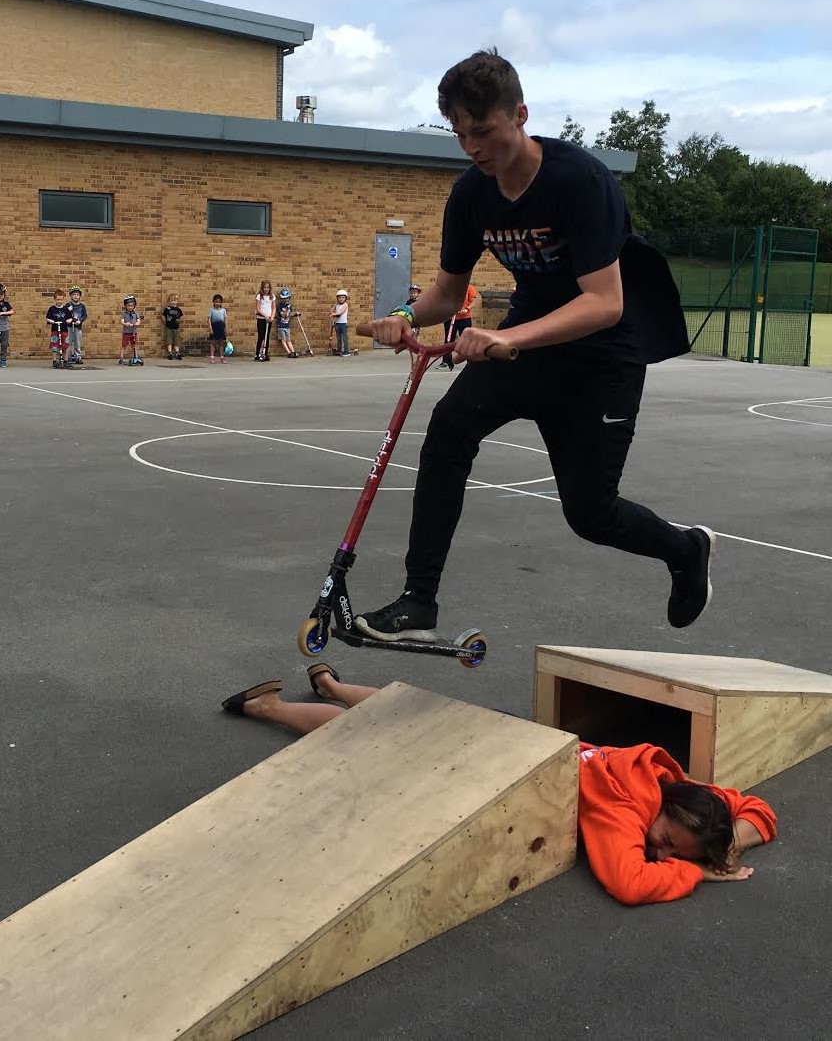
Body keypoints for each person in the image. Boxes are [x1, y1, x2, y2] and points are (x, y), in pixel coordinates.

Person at [357, 49, 711, 642]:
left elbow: (605, 302)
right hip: (527, 341)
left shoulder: (580, 181)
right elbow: (446, 293)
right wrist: (398, 316)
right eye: (460, 134)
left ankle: (686, 549)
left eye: (484, 131)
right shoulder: (472, 195)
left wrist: (504, 336)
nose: (472, 147)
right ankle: (419, 602)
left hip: (602, 354)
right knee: (449, 428)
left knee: (591, 513)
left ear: (519, 114)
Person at [222, 672, 776, 906]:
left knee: (415, 716)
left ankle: (332, 683)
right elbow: (629, 883)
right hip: (491, 769)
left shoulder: (663, 776)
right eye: (666, 841)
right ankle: (269, 706)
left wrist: (727, 846)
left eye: (671, 851)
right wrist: (696, 872)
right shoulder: (622, 811)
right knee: (373, 739)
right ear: (669, 813)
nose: (659, 850)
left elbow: (753, 807)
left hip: (520, 742)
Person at [438, 281, 479, 370]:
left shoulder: (469, 288)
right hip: (450, 318)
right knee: (449, 340)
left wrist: (466, 309)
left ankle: (469, 362)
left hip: (465, 319)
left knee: (466, 340)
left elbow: (473, 303)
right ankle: (446, 361)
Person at [46, 288, 72, 369]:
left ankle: (66, 361)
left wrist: (69, 320)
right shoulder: (52, 309)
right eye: (57, 299)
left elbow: (70, 318)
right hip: (55, 330)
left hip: (64, 329)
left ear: (63, 299)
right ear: (54, 299)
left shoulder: (65, 309)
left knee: (65, 346)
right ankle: (54, 361)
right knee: (54, 345)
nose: (59, 301)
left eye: (61, 300)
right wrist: (51, 321)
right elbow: (47, 318)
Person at [254, 280, 275, 361]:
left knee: (267, 337)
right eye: (265, 287)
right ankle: (257, 354)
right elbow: (258, 309)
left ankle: (265, 354)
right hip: (261, 319)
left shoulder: (272, 296)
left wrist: (272, 317)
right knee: (261, 336)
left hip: (269, 319)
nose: (266, 289)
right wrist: (265, 316)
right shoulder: (259, 296)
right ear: (262, 288)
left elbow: (274, 308)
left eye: (268, 287)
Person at [67, 287, 88, 364]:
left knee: (77, 342)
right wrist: (70, 319)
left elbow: (85, 315)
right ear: (71, 296)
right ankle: (68, 356)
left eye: (77, 295)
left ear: (79, 296)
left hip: (77, 326)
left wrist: (80, 321)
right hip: (69, 326)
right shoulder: (68, 305)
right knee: (68, 341)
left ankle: (78, 356)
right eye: (74, 294)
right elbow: (66, 315)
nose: (75, 296)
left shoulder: (82, 306)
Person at [119, 295, 142, 365]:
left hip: (134, 332)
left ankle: (135, 357)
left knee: (134, 345)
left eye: (132, 306)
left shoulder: (136, 313)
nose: (130, 307)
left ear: (134, 306)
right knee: (124, 345)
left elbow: (139, 321)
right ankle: (121, 358)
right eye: (128, 305)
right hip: (126, 332)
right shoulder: (124, 313)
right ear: (126, 306)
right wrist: (126, 324)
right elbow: (121, 321)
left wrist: (136, 323)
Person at [276, 288, 297, 357]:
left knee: (288, 340)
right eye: (284, 298)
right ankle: (289, 353)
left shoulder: (289, 306)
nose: (286, 300)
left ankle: (293, 352)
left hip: (287, 325)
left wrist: (294, 314)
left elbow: (290, 315)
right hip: (281, 325)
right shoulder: (280, 306)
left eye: (287, 298)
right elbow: (283, 315)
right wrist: (288, 312)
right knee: (283, 340)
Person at [162, 294, 184, 360]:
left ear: (177, 301)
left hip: (176, 327)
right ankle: (170, 353)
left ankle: (177, 353)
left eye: (174, 300)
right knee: (169, 340)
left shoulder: (178, 310)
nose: (173, 302)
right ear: (169, 301)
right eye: (171, 300)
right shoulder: (167, 309)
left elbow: (181, 317)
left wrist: (179, 320)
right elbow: (163, 316)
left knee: (176, 340)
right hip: (169, 327)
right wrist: (165, 321)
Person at [208, 293, 228, 364]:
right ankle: (212, 357)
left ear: (221, 303)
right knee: (213, 342)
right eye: (216, 302)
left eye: (219, 302)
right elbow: (209, 320)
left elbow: (225, 320)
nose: (217, 303)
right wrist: (210, 328)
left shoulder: (223, 310)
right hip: (214, 327)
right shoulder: (211, 310)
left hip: (221, 327)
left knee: (221, 343)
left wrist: (225, 328)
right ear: (213, 302)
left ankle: (222, 357)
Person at [331, 288, 350, 356]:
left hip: (343, 324)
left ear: (345, 298)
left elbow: (340, 313)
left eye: (343, 297)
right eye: (339, 297)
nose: (341, 299)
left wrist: (333, 314)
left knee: (344, 338)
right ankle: (339, 350)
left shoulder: (345, 305)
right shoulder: (337, 305)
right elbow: (332, 311)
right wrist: (335, 304)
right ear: (337, 298)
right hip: (337, 324)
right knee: (338, 338)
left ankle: (346, 351)